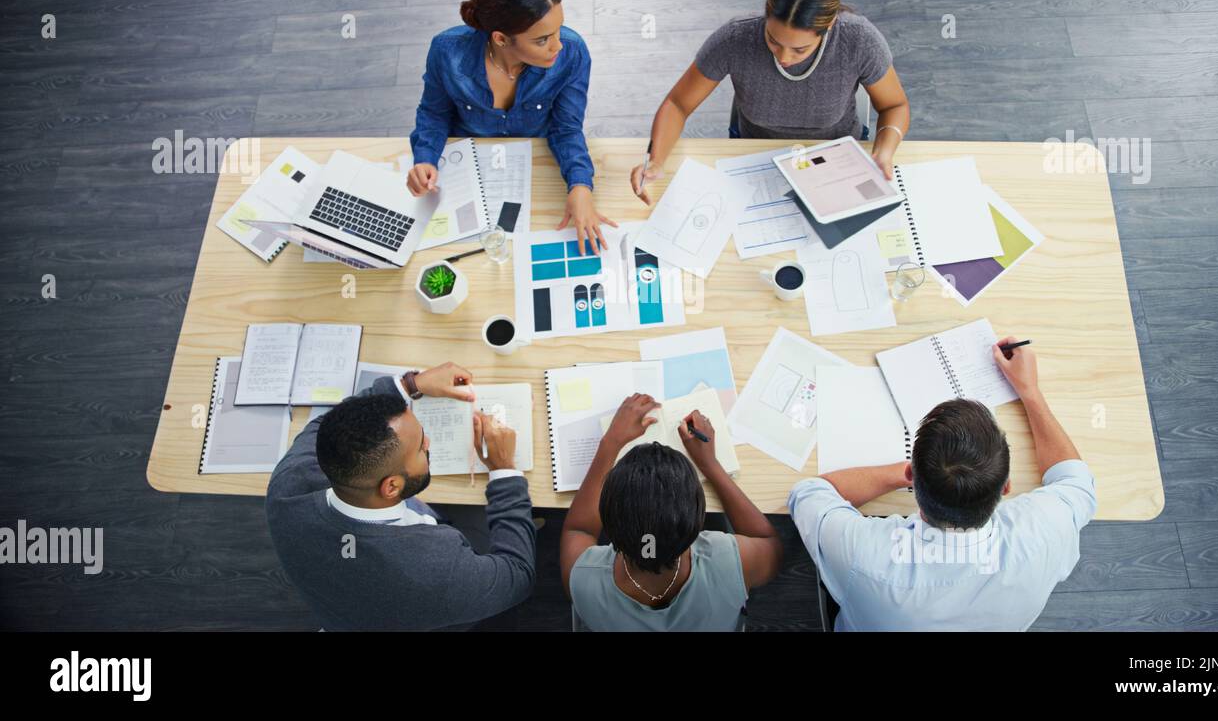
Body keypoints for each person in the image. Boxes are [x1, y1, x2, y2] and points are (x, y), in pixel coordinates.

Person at [788, 339, 1097, 631]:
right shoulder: (1047, 533)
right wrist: (1030, 391)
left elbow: (808, 494)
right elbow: (1074, 480)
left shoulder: (864, 555)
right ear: (1006, 488)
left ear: (912, 479)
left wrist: (911, 471)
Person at [265, 362, 536, 631]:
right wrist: (504, 470)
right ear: (391, 487)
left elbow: (328, 422)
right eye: (421, 446)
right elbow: (518, 575)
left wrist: (410, 385)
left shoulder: (288, 487)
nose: (428, 442)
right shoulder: (431, 570)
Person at [631, 0, 910, 204]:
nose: (785, 57)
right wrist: (655, 161)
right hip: (755, 152)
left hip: (834, 154)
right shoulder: (736, 38)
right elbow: (678, 103)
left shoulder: (859, 40)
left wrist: (883, 153)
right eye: (774, 41)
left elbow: (895, 105)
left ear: (829, 27)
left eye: (800, 50)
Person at [408, 0, 613, 254]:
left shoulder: (573, 52)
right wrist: (425, 158)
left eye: (558, 30)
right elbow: (434, 113)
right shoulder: (446, 51)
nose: (558, 47)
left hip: (535, 161)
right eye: (543, 40)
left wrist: (580, 186)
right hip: (465, 163)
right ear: (501, 39)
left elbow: (566, 128)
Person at [560, 395, 783, 631]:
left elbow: (579, 529)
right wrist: (710, 464)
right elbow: (769, 544)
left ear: (607, 518)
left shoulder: (583, 578)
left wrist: (611, 442)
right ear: (699, 523)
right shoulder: (729, 561)